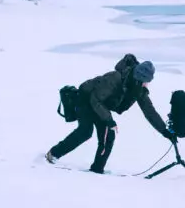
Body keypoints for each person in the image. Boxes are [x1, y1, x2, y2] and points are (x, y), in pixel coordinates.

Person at [46, 54, 176, 174]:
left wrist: (164, 131)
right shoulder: (115, 77)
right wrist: (109, 120)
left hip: (101, 105)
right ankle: (53, 154)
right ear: (140, 78)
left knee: (108, 136)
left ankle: (97, 170)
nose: (147, 84)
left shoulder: (138, 89)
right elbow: (95, 99)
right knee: (85, 131)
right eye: (147, 81)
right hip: (86, 99)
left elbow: (149, 111)